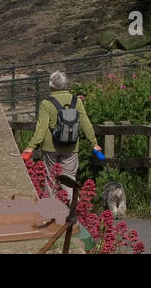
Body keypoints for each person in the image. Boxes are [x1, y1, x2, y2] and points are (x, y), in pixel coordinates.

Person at [21, 71, 100, 203]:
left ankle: (50, 211)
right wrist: (94, 143)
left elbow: (41, 128)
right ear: (66, 84)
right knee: (69, 178)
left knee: (50, 179)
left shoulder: (47, 103)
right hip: (71, 145)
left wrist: (31, 147)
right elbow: (86, 124)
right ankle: (76, 209)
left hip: (50, 146)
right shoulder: (76, 101)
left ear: (51, 85)